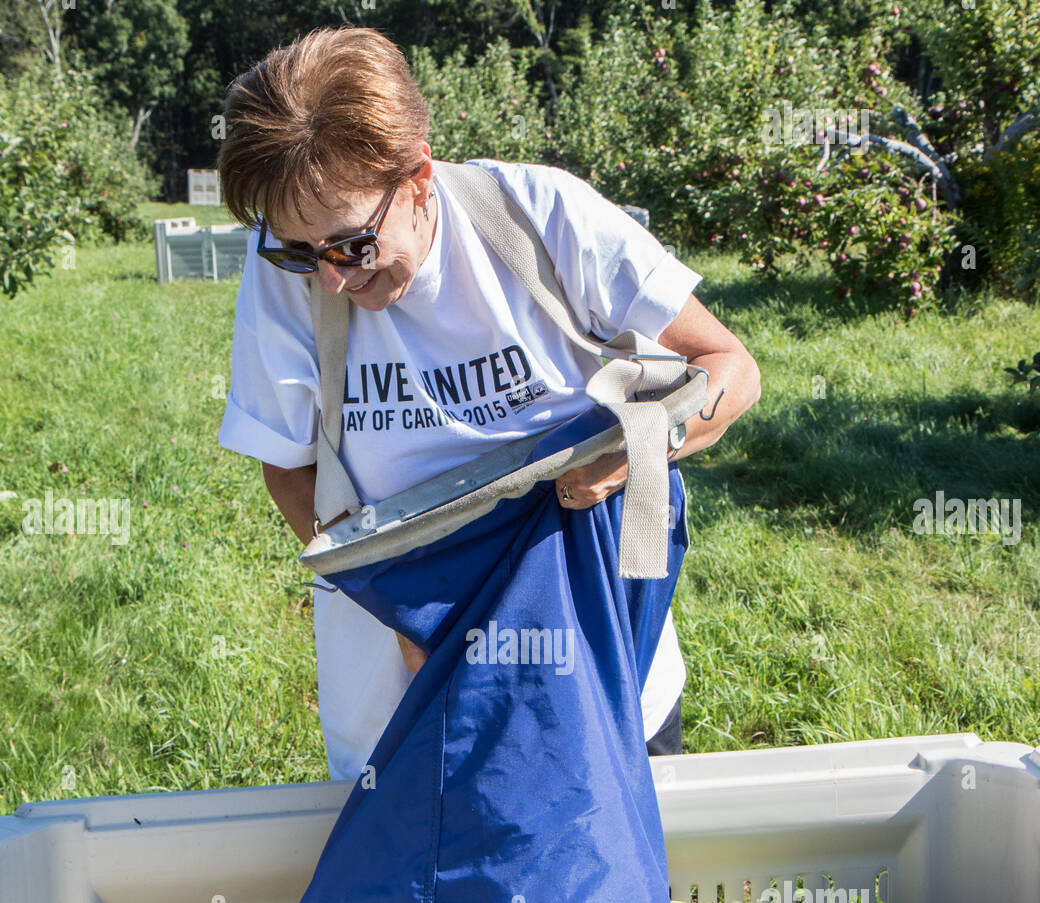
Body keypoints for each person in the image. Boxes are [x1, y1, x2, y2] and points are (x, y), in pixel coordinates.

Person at [216, 26, 760, 781]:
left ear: (418, 180)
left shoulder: (543, 217)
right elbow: (288, 468)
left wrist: (637, 449)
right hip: (410, 695)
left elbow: (728, 367)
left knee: (608, 869)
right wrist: (405, 611)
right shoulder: (293, 268)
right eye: (296, 252)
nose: (330, 279)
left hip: (598, 663)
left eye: (353, 247)